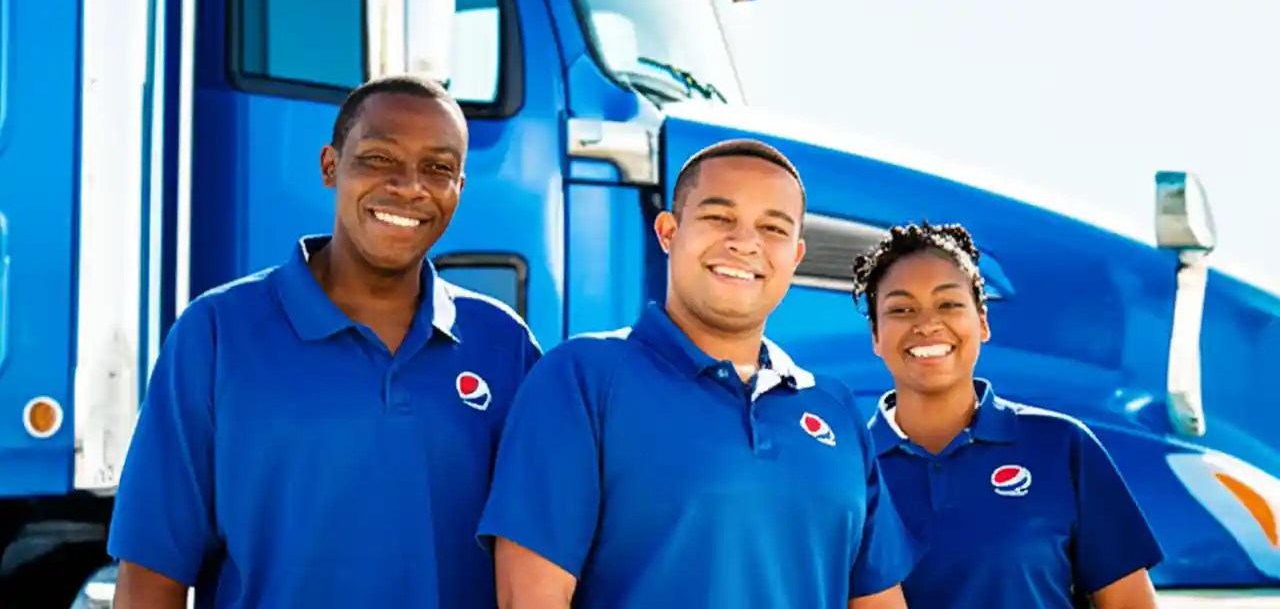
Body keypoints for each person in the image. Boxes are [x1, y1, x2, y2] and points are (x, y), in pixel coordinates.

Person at [107, 75, 542, 608]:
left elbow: (544, 561)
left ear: (459, 188)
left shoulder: (504, 345)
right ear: (331, 166)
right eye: (379, 158)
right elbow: (152, 572)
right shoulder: (217, 333)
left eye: (438, 168)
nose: (409, 186)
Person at [476, 139, 917, 609]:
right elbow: (529, 597)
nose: (745, 242)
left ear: (796, 255)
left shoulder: (836, 409)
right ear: (668, 232)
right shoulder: (581, 378)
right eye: (719, 217)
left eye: (772, 228)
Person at [851, 220, 1164, 609]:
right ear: (876, 337)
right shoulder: (846, 470)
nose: (927, 324)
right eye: (901, 309)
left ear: (982, 322)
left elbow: (1129, 602)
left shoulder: (1061, 446)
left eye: (948, 304)